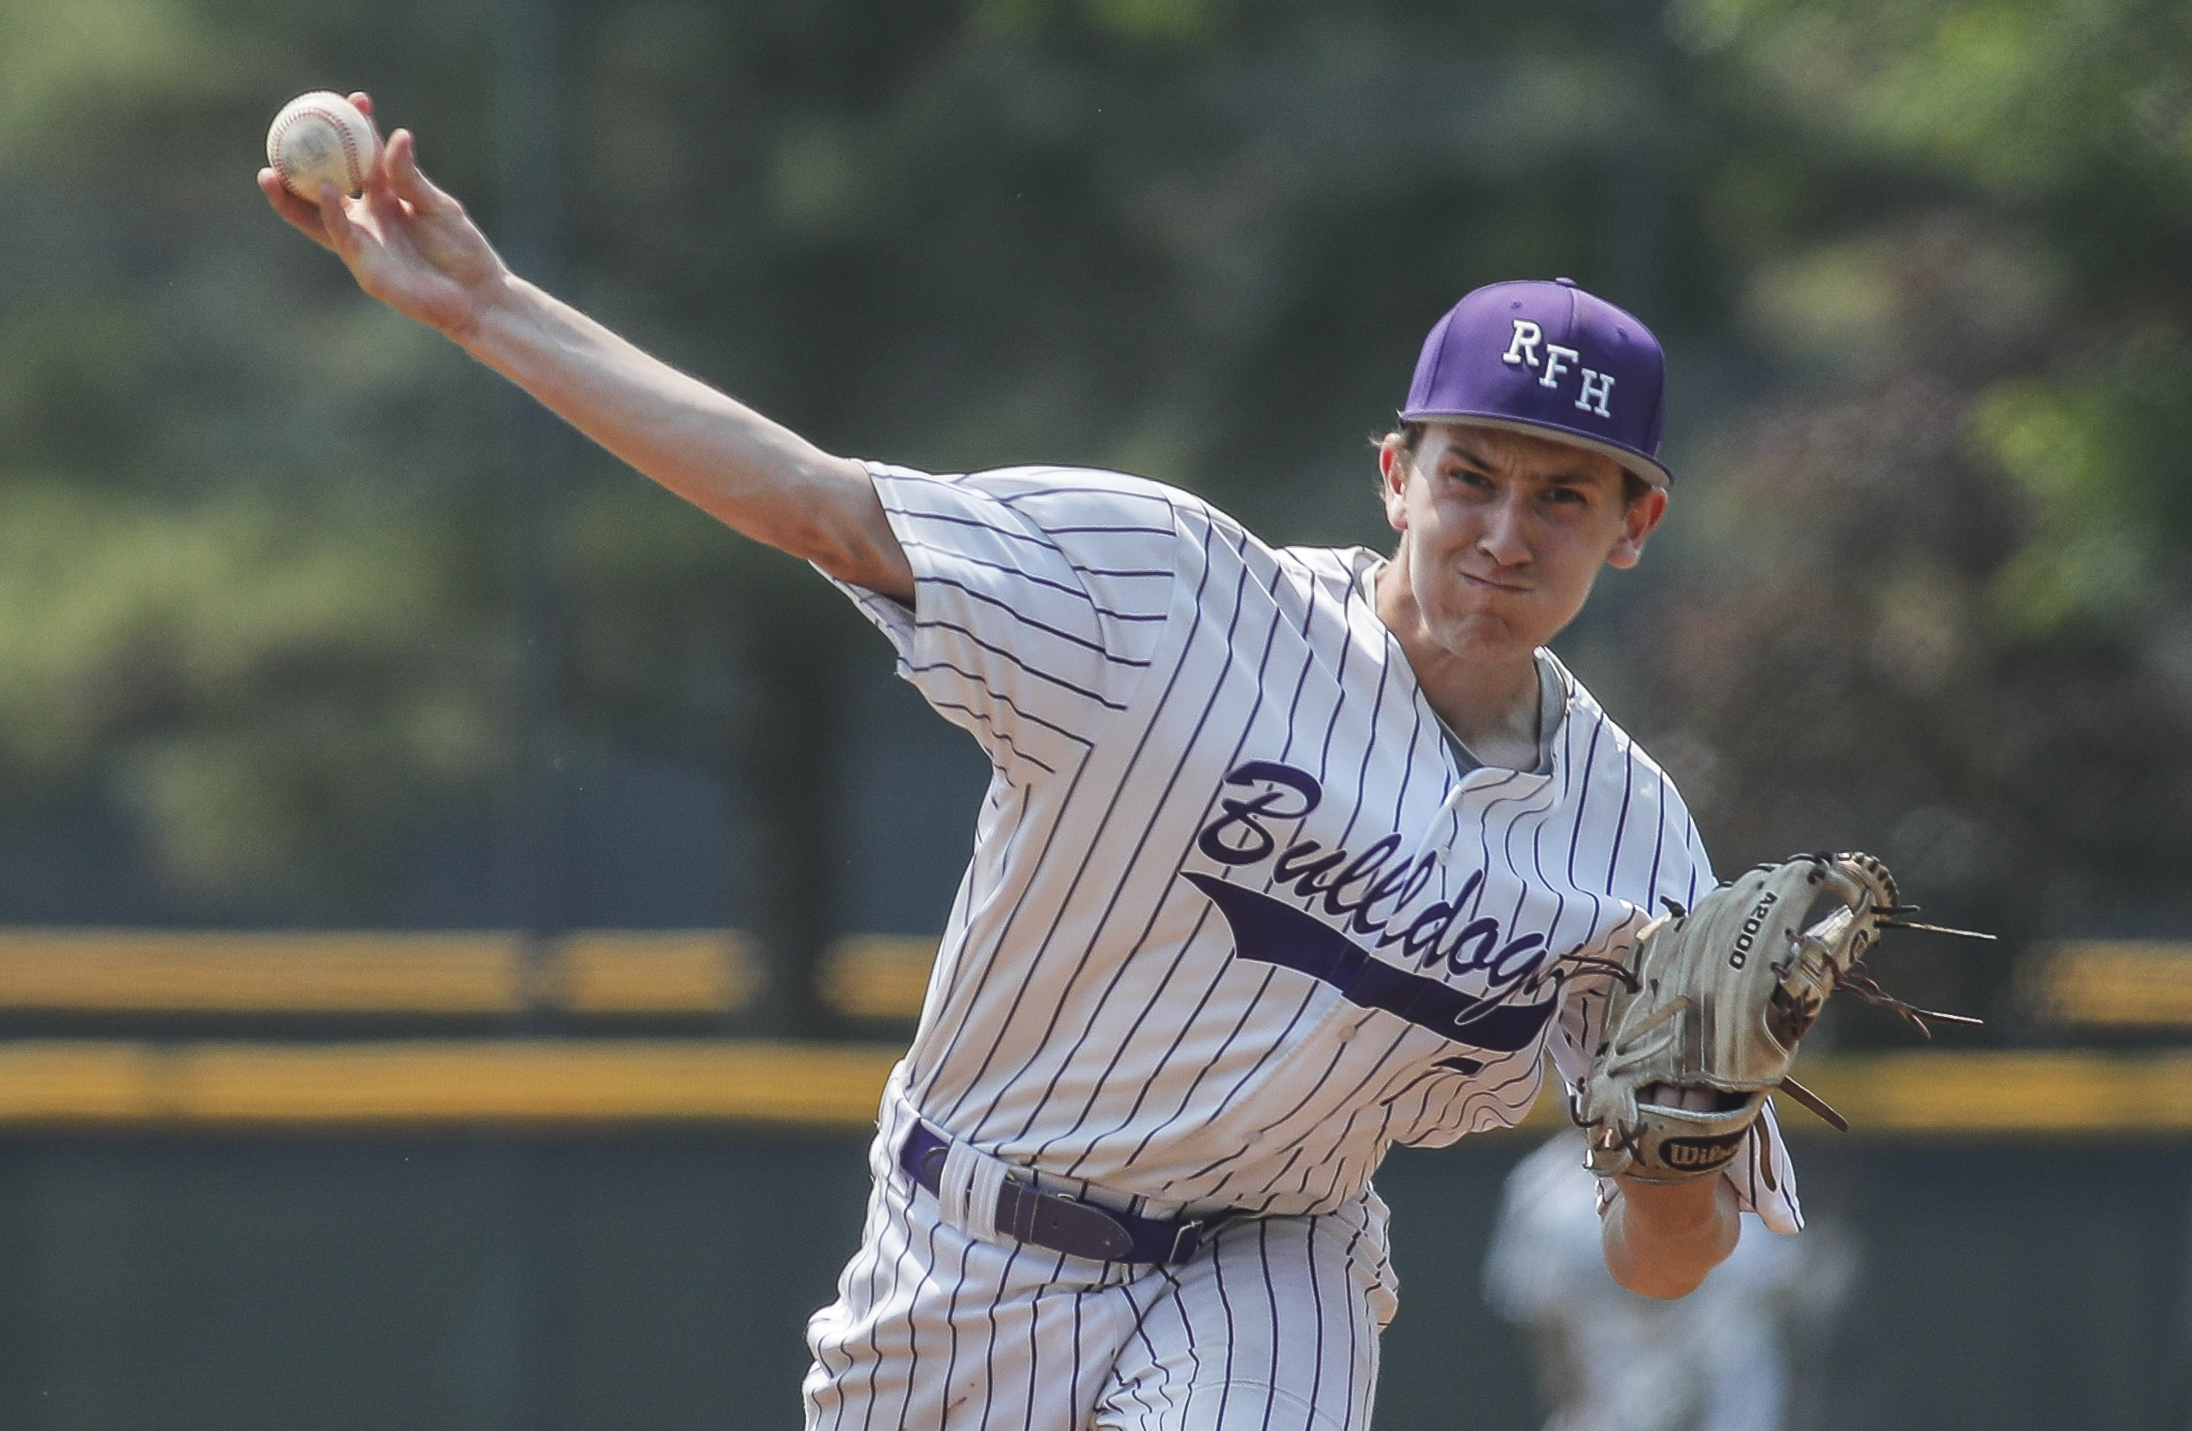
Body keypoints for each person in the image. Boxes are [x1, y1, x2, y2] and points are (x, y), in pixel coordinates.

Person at [262, 96, 1803, 1430]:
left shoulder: (1634, 850)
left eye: (1565, 495)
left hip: (1272, 1256)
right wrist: (488, 308)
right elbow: (816, 503)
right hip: (966, 1242)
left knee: (1283, 1311)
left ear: (1636, 526)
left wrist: (1682, 1152)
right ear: (1397, 475)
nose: (1506, 531)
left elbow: (1668, 1258)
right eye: (1472, 475)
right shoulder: (1168, 599)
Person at [1486, 1130, 1851, 1431]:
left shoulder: (1739, 1162)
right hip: (1612, 1390)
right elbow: (1539, 1313)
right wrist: (1567, 1399)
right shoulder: (1544, 1187)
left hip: (1727, 1393)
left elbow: (1782, 1283)